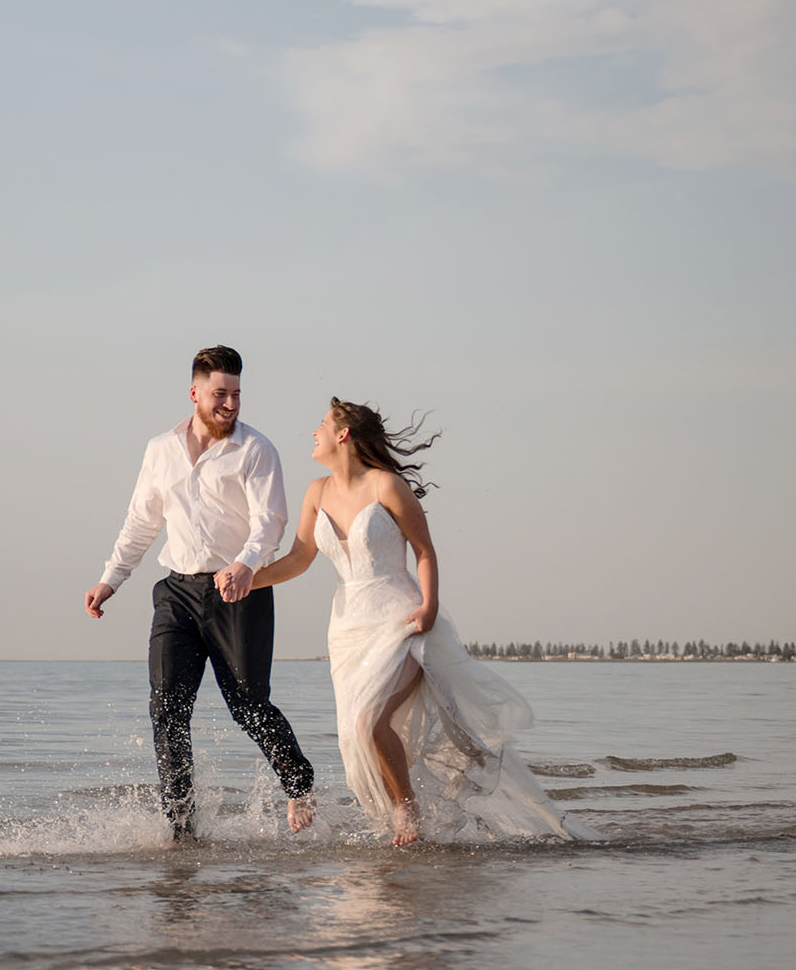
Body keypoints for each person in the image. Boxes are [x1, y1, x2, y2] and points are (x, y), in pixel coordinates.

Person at [250, 398, 567, 847]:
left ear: (343, 434)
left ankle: (407, 809)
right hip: (347, 631)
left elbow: (424, 550)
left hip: (399, 620)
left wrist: (430, 606)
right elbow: (299, 559)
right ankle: (396, 819)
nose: (314, 432)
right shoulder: (316, 492)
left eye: (321, 424)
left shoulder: (386, 485)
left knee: (369, 721)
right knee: (355, 738)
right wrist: (247, 580)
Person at [85, 346, 316, 841]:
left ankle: (299, 784)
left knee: (249, 706)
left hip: (240, 592)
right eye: (219, 394)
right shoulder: (160, 449)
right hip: (177, 593)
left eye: (236, 394)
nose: (229, 404)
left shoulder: (256, 450)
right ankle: (182, 829)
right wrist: (111, 579)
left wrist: (245, 564)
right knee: (166, 708)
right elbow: (141, 521)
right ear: (194, 393)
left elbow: (271, 521)